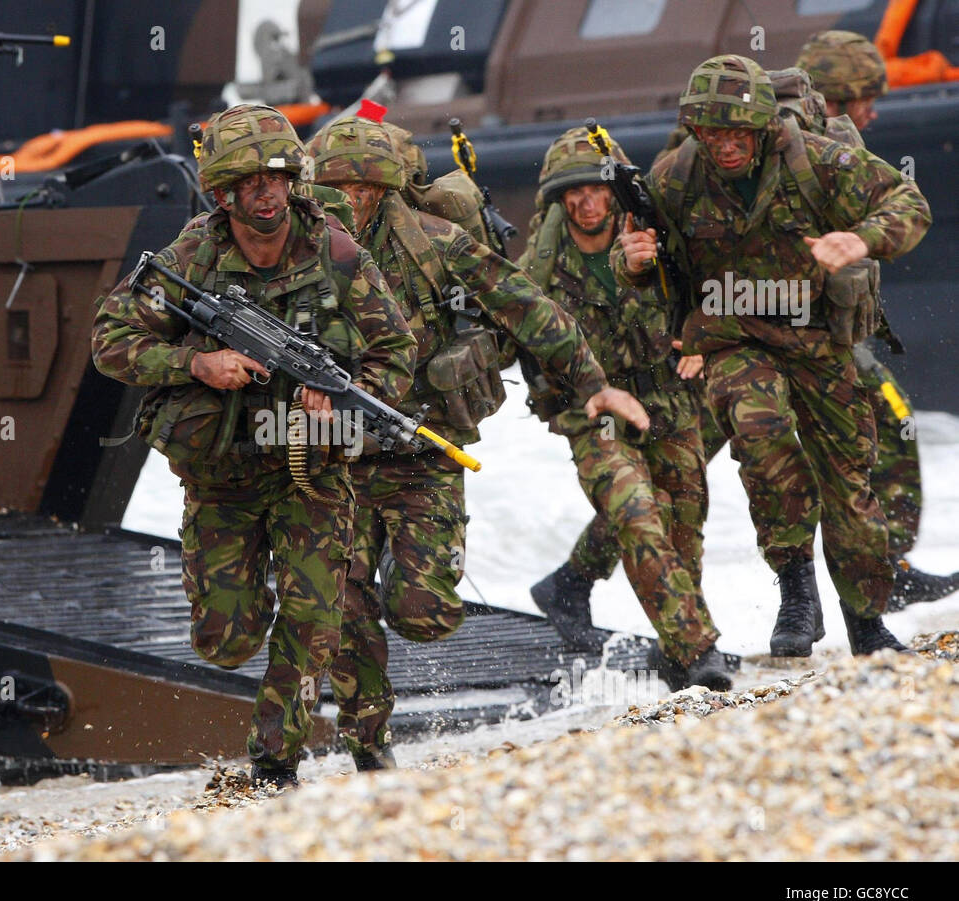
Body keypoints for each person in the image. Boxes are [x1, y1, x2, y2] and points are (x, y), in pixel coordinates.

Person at [304, 112, 649, 768]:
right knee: (344, 604)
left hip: (424, 447)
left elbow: (529, 307)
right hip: (340, 455)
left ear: (382, 189)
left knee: (423, 609)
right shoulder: (302, 250)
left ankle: (395, 582)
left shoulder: (435, 242)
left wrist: (592, 382)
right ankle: (368, 747)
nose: (345, 201)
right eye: (334, 188)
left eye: (359, 188)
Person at [91, 104, 416, 788]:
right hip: (222, 476)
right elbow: (110, 341)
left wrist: (346, 394)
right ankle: (257, 621)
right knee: (225, 638)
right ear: (223, 194)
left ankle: (277, 765)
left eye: (276, 177)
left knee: (315, 619)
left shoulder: (338, 252)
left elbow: (396, 349)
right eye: (250, 183)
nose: (267, 193)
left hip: (312, 472)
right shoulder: (192, 256)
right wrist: (196, 365)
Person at [614, 55, 931, 657]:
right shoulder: (676, 177)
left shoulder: (818, 160)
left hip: (816, 336)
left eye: (738, 133)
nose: (726, 146)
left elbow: (907, 202)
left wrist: (860, 237)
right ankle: (796, 586)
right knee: (760, 433)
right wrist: (629, 260)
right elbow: (646, 263)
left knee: (847, 480)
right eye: (712, 134)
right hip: (733, 334)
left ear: (763, 126)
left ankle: (866, 622)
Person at [520, 127, 727, 690]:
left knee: (682, 528)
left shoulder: (655, 235)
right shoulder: (537, 267)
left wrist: (700, 332)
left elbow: (713, 288)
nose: (588, 202)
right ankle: (699, 651)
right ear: (559, 199)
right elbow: (513, 331)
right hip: (594, 411)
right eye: (574, 193)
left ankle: (666, 639)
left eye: (597, 189)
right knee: (636, 511)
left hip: (668, 400)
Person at [798, 30, 959, 609]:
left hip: (816, 330)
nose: (874, 112)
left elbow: (904, 204)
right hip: (753, 332)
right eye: (867, 98)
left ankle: (886, 571)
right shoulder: (781, 145)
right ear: (837, 99)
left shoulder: (834, 147)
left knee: (888, 419)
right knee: (679, 456)